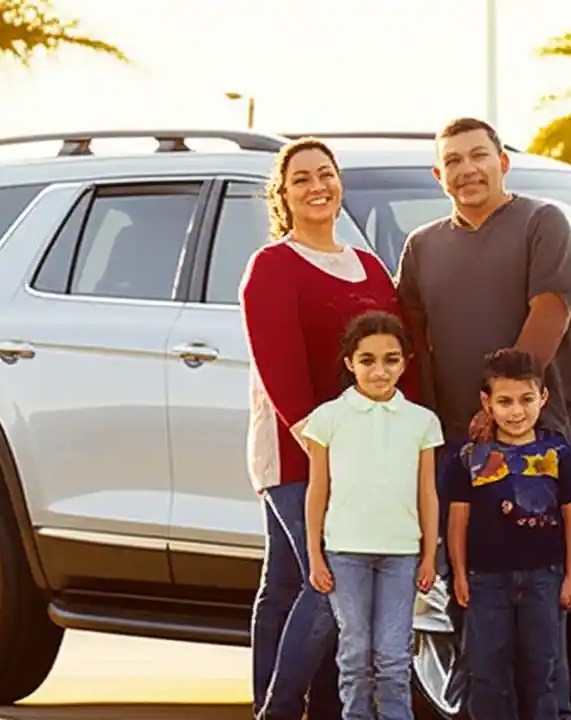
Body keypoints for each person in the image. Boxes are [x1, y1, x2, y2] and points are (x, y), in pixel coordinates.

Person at [395, 117, 571, 717]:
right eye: (453, 161)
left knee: (539, 601)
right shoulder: (422, 246)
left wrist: (501, 409)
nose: (467, 169)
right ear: (439, 175)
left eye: (478, 156)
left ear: (503, 162)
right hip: (457, 449)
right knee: (473, 601)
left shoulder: (542, 223)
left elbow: (550, 312)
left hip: (533, 442)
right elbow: (411, 340)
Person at [240, 138, 409, 720]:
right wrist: (327, 455)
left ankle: (311, 709)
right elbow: (281, 373)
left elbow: (394, 356)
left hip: (365, 455)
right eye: (302, 179)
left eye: (326, 174)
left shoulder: (368, 266)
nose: (318, 186)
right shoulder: (272, 267)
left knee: (287, 583)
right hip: (295, 453)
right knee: (329, 577)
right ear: (282, 196)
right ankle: (280, 710)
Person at [302, 310, 443, 720]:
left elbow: (427, 493)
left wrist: (429, 554)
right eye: (367, 360)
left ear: (405, 362)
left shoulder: (421, 422)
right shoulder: (327, 419)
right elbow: (318, 490)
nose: (379, 371)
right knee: (355, 651)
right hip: (345, 553)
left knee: (394, 655)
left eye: (391, 359)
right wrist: (315, 553)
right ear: (349, 363)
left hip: (401, 554)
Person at [445, 348, 571, 719]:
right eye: (504, 401)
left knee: (544, 668)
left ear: (543, 398)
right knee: (488, 670)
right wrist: (459, 573)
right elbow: (458, 520)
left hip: (545, 578)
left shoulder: (559, 452)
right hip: (485, 580)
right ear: (486, 403)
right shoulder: (470, 457)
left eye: (526, 400)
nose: (516, 411)